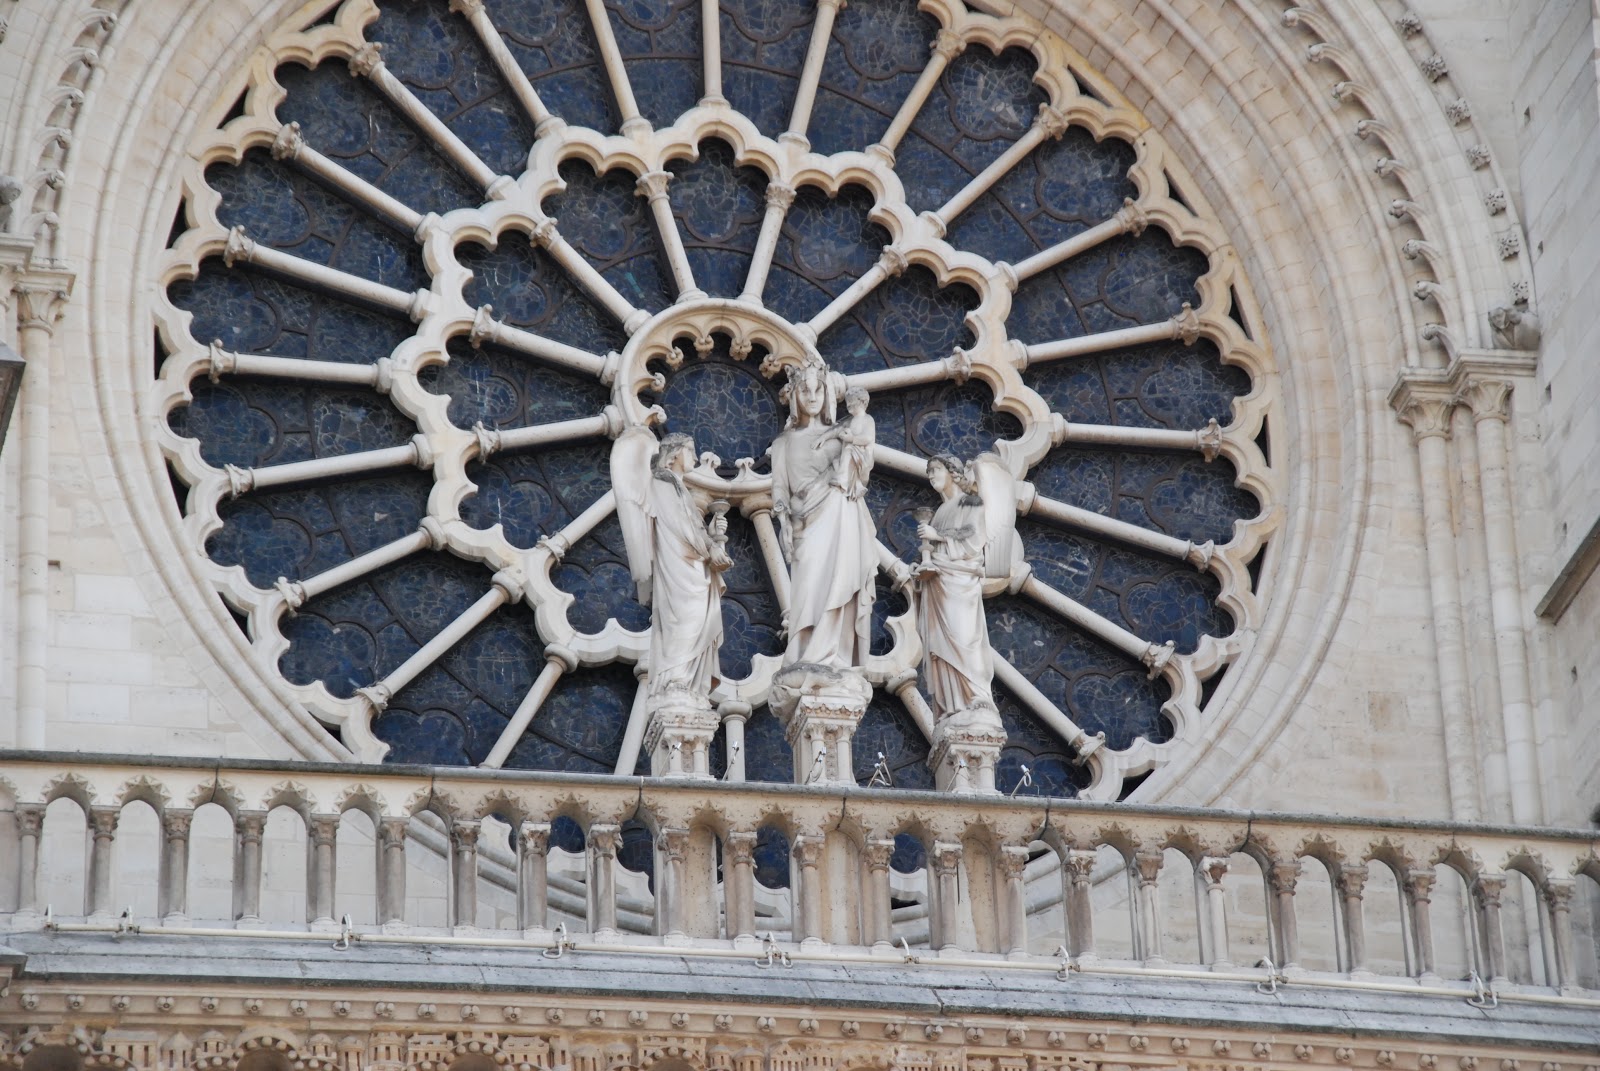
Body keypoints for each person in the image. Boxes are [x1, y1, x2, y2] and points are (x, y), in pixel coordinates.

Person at [768, 360, 877, 670]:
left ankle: (834, 654)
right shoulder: (783, 444)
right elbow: (779, 487)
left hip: (840, 514)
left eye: (818, 389)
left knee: (839, 581)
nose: (812, 396)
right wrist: (782, 518)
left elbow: (861, 469)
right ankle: (806, 651)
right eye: (805, 390)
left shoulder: (843, 432)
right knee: (808, 589)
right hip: (803, 520)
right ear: (795, 397)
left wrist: (856, 458)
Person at [612, 429, 728, 705]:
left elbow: (689, 524)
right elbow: (678, 526)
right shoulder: (662, 483)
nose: (696, 457)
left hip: (692, 565)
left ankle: (685, 679)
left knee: (695, 619)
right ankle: (676, 676)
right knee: (684, 618)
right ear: (675, 454)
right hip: (681, 565)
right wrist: (709, 548)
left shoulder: (678, 487)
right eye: (691, 450)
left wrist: (711, 534)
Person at [915, 453, 997, 721]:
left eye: (936, 470)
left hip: (960, 583)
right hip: (939, 585)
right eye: (929, 472)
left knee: (963, 638)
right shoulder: (939, 512)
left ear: (952, 471)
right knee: (943, 645)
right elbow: (936, 551)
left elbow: (974, 539)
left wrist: (936, 537)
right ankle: (953, 704)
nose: (932, 476)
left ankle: (976, 695)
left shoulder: (970, 502)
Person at [815, 385, 874, 501]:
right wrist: (823, 437)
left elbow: (868, 438)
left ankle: (842, 480)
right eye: (847, 402)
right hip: (851, 457)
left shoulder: (868, 419)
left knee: (848, 450)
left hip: (862, 456)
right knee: (836, 461)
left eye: (851, 402)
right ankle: (851, 485)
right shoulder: (849, 420)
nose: (848, 405)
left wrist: (851, 439)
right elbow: (836, 430)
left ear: (862, 402)